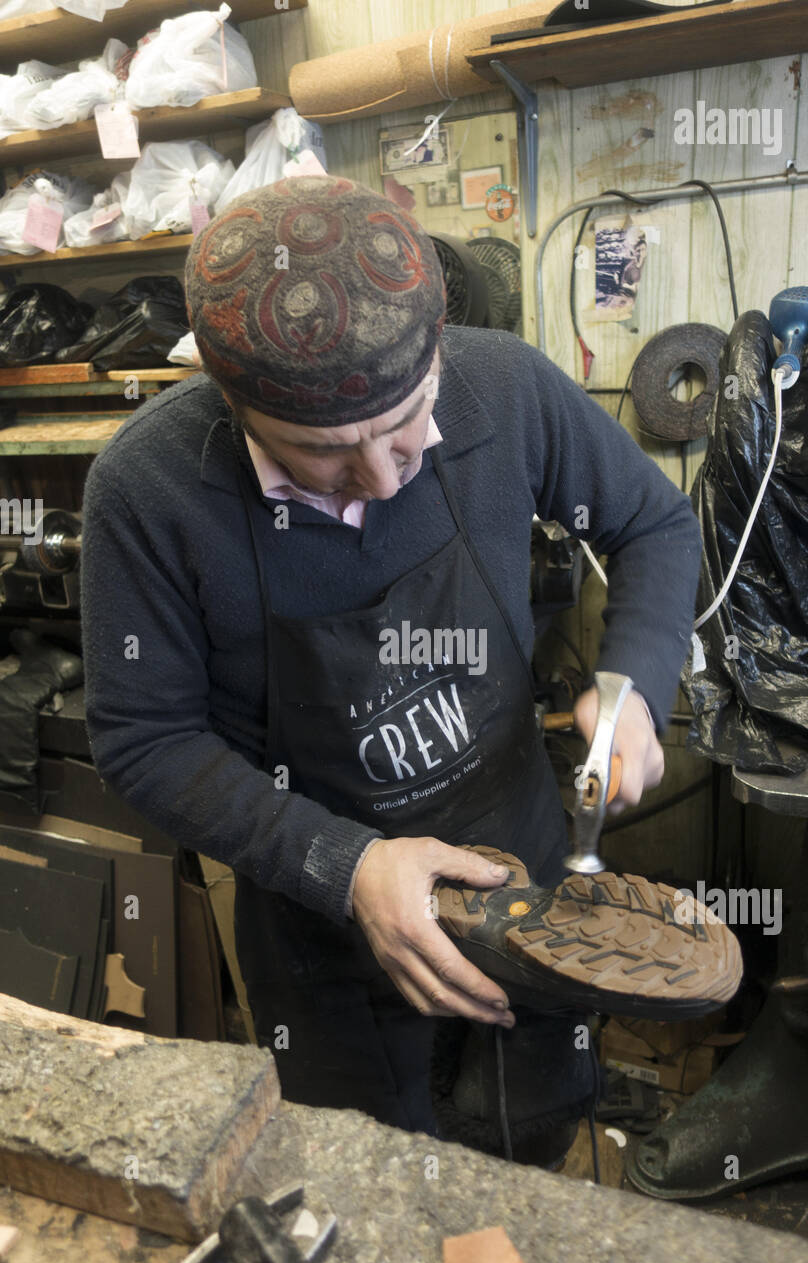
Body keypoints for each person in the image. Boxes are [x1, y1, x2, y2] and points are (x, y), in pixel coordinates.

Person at [81, 175, 700, 1147]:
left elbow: (652, 524)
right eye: (319, 454)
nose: (380, 477)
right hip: (327, 926)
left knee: (531, 1146)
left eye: (405, 426)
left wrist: (630, 690)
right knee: (369, 1180)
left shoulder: (507, 386)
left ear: (439, 349)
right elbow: (142, 739)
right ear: (228, 399)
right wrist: (348, 865)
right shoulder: (147, 490)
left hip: (526, 893)